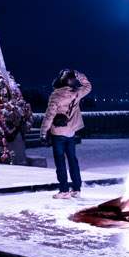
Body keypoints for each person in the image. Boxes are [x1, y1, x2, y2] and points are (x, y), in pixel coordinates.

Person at [40, 67, 91, 198]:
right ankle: (76, 189)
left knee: (60, 161)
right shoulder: (76, 93)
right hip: (71, 132)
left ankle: (64, 190)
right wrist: (78, 74)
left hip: (58, 133)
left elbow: (49, 115)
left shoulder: (56, 95)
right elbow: (88, 86)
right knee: (73, 160)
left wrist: (43, 132)